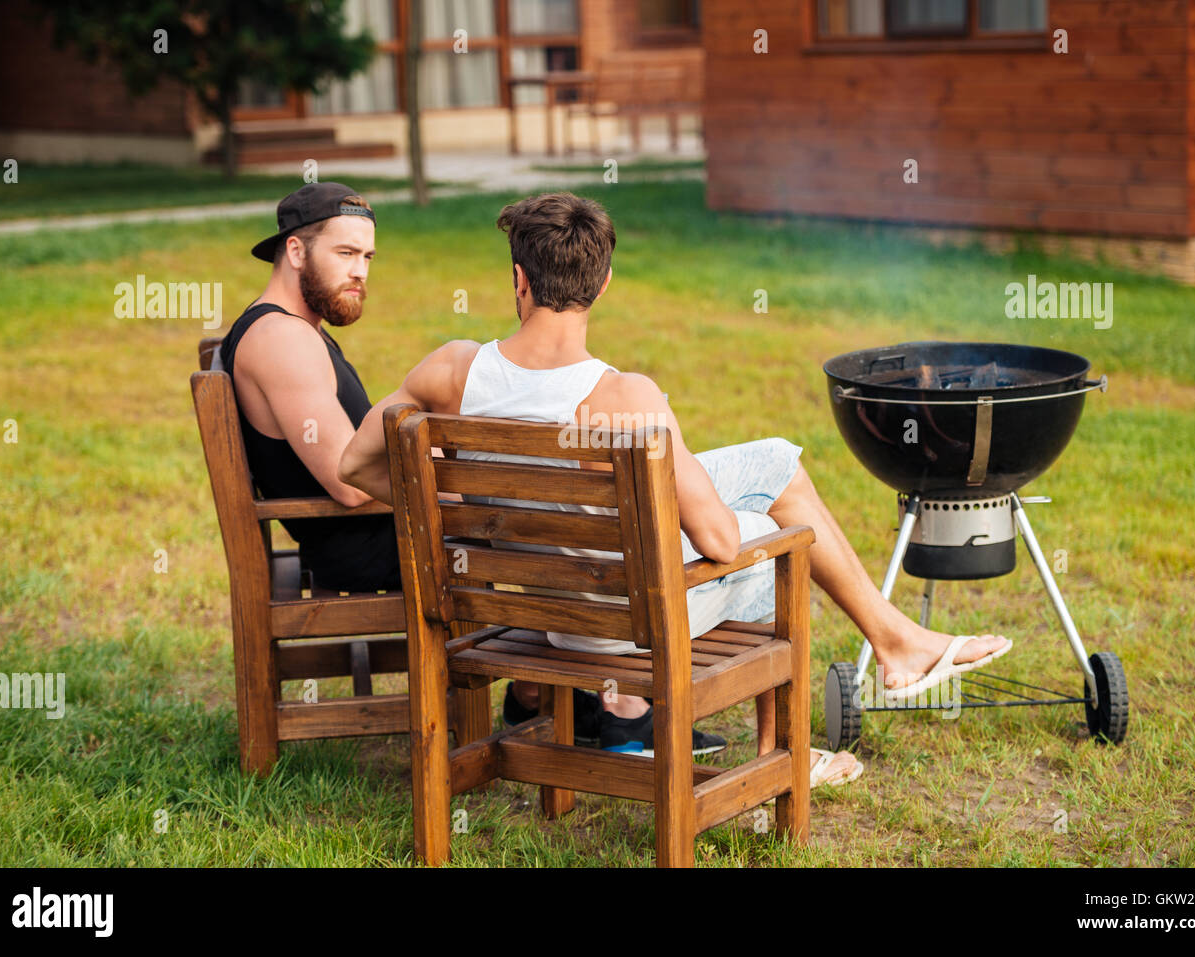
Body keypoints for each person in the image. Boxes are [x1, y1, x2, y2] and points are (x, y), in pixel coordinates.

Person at [339, 192, 1012, 785]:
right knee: (772, 535)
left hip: (543, 609)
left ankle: (894, 641)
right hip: (624, 628)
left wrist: (462, 511)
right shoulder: (628, 398)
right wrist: (743, 524)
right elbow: (716, 538)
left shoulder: (449, 371)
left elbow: (356, 465)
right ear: (602, 286)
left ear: (518, 280)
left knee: (774, 461)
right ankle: (785, 748)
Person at [217, 181, 398, 593]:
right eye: (346, 253)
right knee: (525, 529)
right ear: (297, 252)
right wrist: (451, 478)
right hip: (368, 552)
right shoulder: (283, 339)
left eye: (367, 256)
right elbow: (349, 485)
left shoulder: (291, 330)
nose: (361, 271)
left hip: (378, 536)